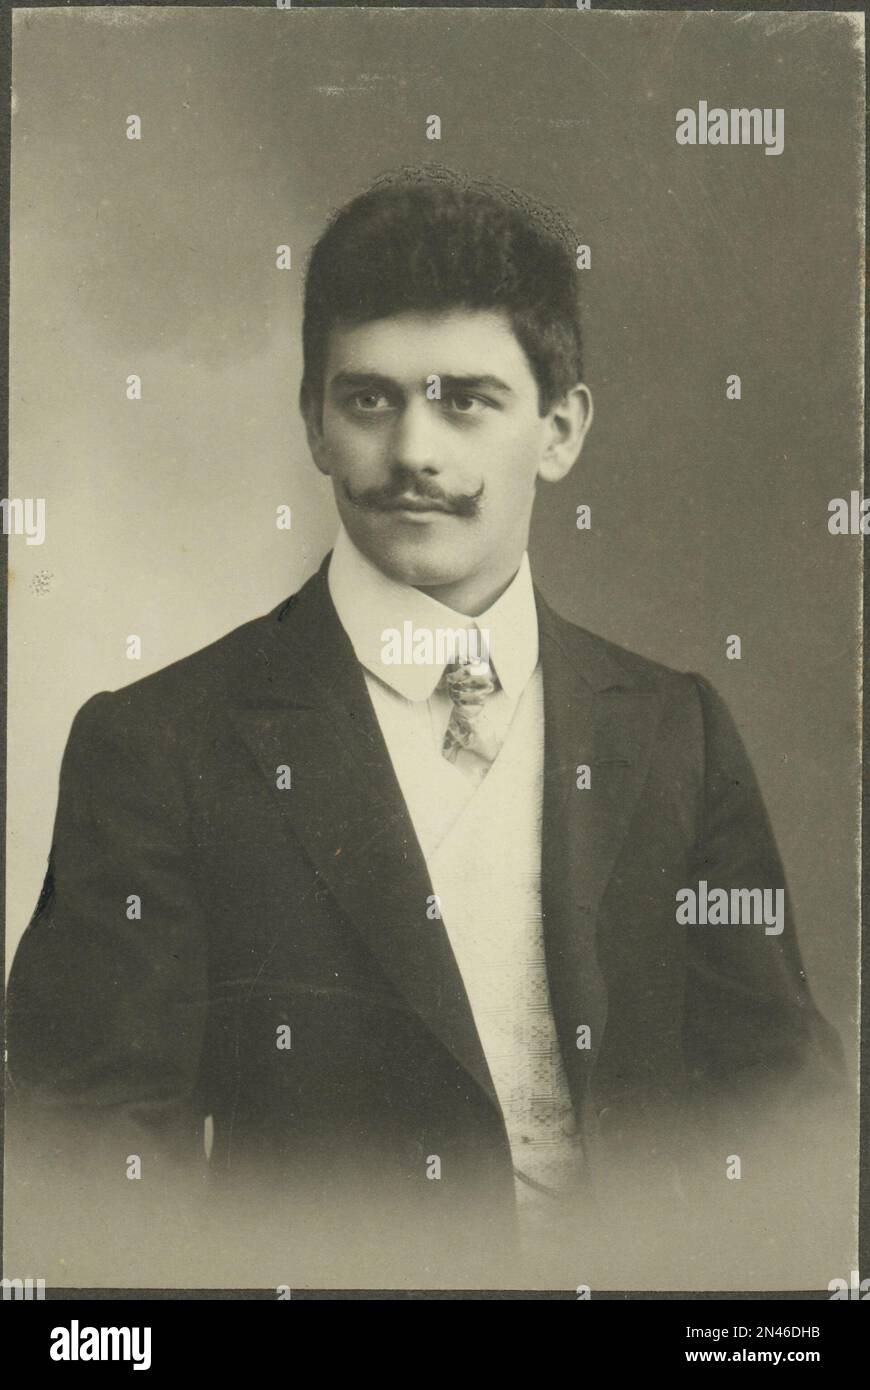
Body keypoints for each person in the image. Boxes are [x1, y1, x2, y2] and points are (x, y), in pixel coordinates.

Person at [6, 166, 845, 1289]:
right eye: (370, 400)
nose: (414, 455)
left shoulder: (675, 729)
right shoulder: (159, 746)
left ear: (559, 429)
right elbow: (83, 1177)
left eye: (465, 400)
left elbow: (787, 1126)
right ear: (313, 422)